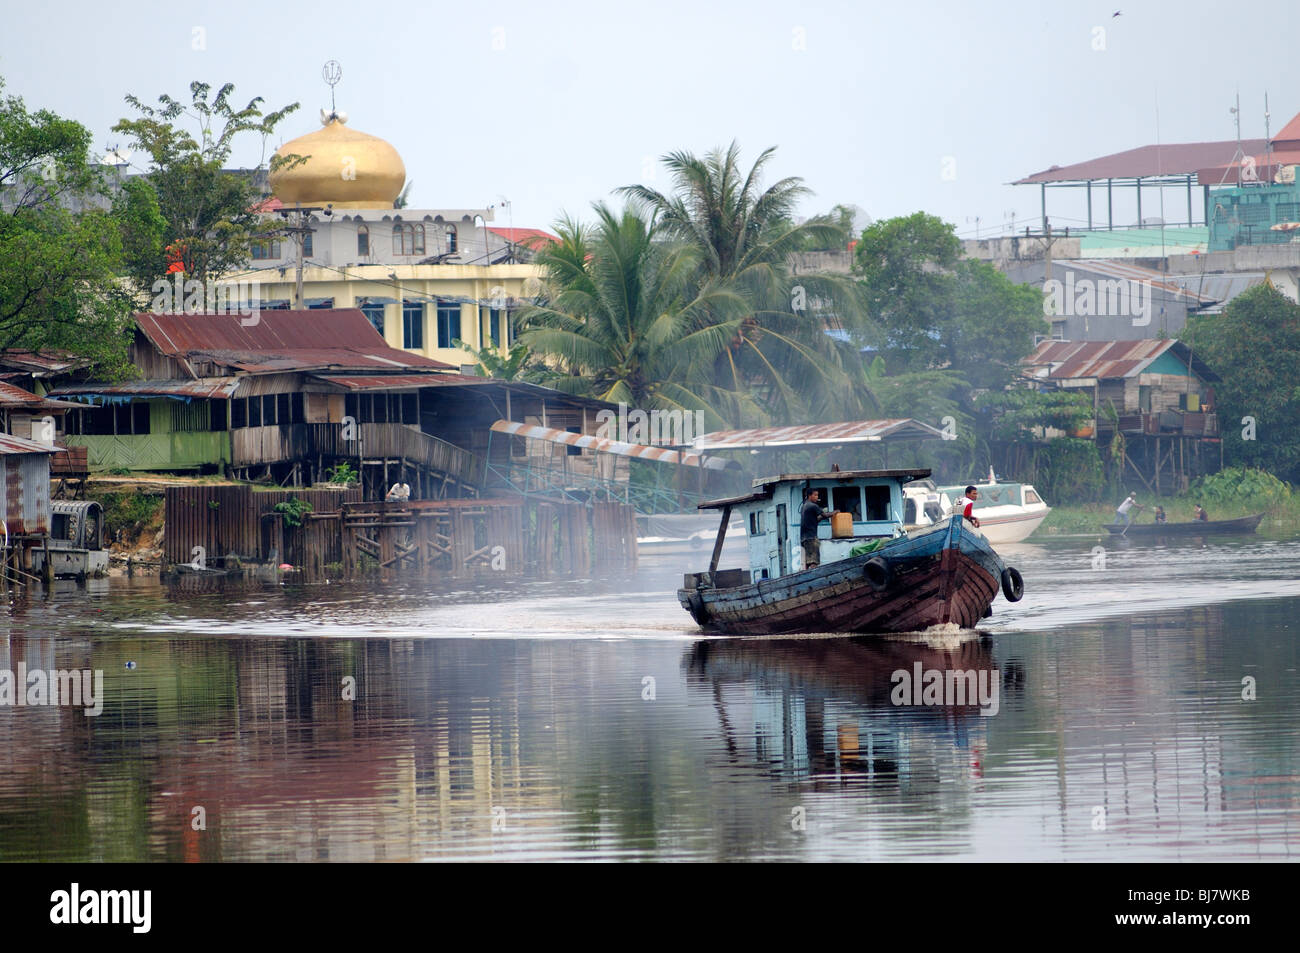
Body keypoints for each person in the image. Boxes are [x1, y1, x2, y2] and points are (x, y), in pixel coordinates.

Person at [799, 488, 835, 569]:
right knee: (814, 561)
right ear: (809, 496)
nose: (817, 497)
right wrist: (834, 512)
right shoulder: (813, 506)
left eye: (817, 495)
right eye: (815, 495)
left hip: (804, 538)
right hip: (811, 537)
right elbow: (825, 515)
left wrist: (822, 517)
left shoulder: (804, 506)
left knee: (807, 562)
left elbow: (816, 520)